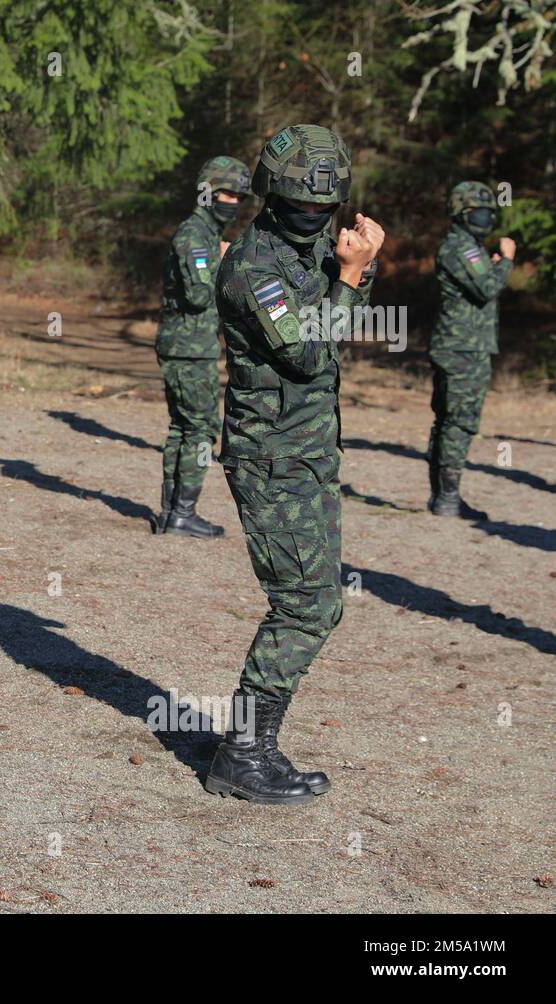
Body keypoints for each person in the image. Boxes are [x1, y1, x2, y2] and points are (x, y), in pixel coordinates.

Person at [207, 124, 384, 804]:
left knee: (320, 603)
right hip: (271, 458)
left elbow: (338, 333)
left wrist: (352, 271)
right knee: (305, 604)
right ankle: (241, 752)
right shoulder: (255, 268)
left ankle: (258, 744)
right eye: (302, 206)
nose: (315, 217)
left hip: (308, 452)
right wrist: (351, 275)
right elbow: (308, 355)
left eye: (326, 207)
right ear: (270, 194)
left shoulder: (307, 247)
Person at [153, 156, 251, 537]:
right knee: (200, 430)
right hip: (189, 348)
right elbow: (196, 295)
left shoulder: (204, 234)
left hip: (190, 346)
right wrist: (224, 265)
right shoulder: (195, 235)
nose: (234, 202)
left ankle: (173, 512)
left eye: (239, 196)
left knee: (183, 428)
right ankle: (181, 512)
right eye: (227, 193)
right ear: (208, 191)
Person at [427, 181, 516, 517]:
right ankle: (447, 499)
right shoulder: (460, 247)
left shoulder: (467, 247)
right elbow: (486, 288)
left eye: (488, 211)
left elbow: (480, 284)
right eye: (477, 211)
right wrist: (506, 261)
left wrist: (492, 264)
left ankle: (444, 496)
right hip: (462, 349)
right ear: (460, 213)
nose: (485, 217)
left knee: (449, 421)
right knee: (457, 423)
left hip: (463, 346)